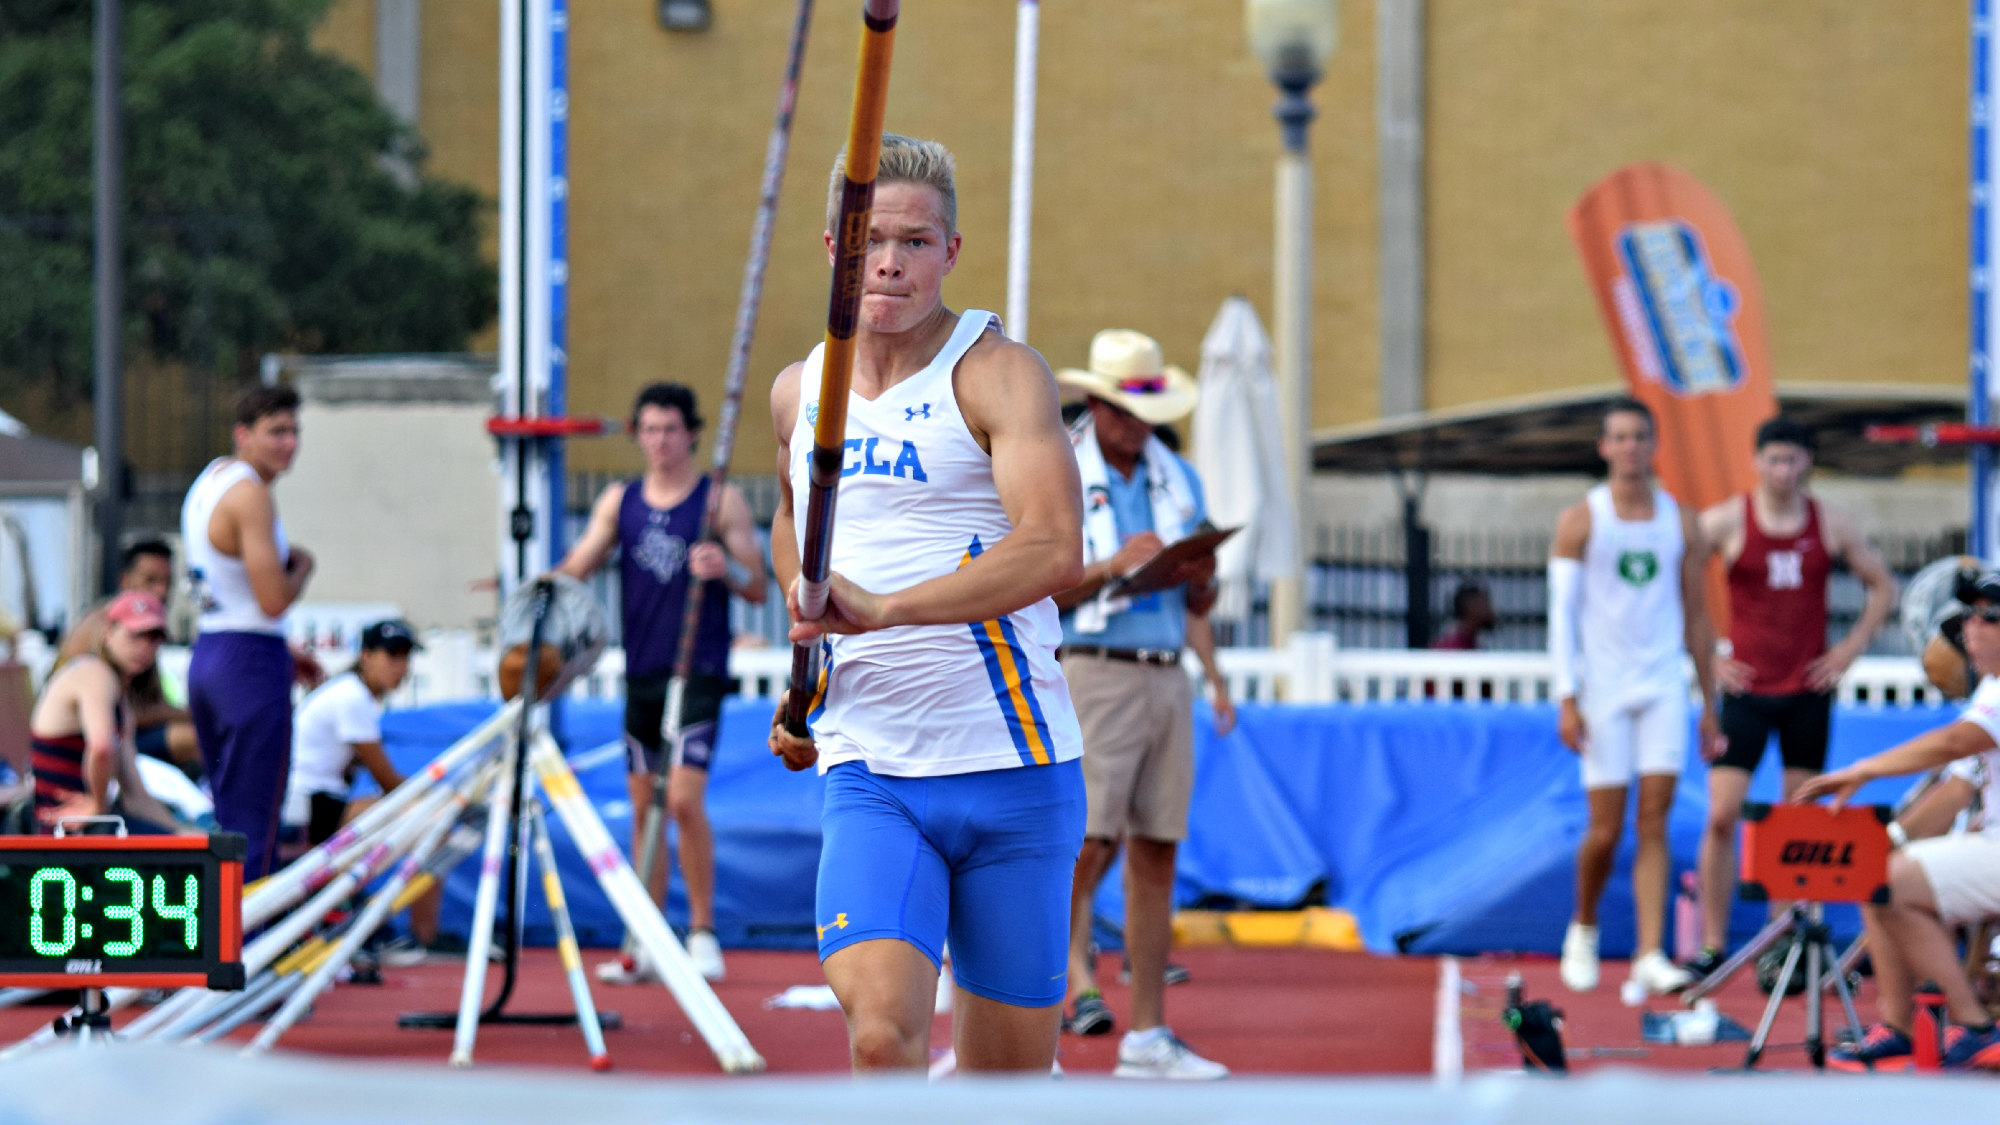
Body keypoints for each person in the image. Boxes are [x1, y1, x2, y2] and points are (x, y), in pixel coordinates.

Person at [764, 133, 1087, 1075]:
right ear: (835, 249)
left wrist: (887, 609)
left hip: (1014, 770)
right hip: (873, 769)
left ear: (951, 252)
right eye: (872, 242)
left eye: (916, 242)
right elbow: (793, 520)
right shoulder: (799, 395)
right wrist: (812, 652)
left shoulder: (997, 374)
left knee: (1006, 1084)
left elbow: (1054, 546)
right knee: (879, 1033)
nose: (891, 263)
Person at [1046, 328, 1230, 1079]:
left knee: (1157, 847)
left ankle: (1149, 1031)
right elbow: (1031, 585)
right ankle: (1046, 995)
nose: (1138, 422)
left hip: (1164, 669)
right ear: (1097, 404)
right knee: (1087, 842)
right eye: (1126, 408)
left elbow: (1201, 601)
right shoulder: (1054, 467)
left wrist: (1202, 574)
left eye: (1147, 407)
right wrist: (1108, 566)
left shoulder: (1180, 476)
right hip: (1092, 666)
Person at [557, 382, 766, 984]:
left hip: (696, 669)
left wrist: (722, 567)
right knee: (645, 806)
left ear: (693, 433)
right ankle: (646, 932)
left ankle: (701, 929)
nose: (659, 441)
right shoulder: (618, 500)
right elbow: (578, 567)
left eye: (670, 429)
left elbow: (756, 584)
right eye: (648, 430)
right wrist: (537, 590)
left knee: (682, 800)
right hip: (644, 671)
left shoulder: (716, 501)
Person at [1685, 416, 1896, 980]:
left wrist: (1849, 649)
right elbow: (1679, 581)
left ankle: (1779, 938)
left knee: (1795, 819)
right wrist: (1709, 656)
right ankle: (1710, 943)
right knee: (1723, 814)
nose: (1783, 471)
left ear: (1807, 463)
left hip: (1806, 690)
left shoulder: (1830, 523)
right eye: (1773, 460)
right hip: (1748, 691)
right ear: (1756, 461)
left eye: (1793, 460)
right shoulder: (1727, 520)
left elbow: (1884, 585)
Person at [1546, 397, 1720, 995]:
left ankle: (1650, 950)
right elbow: (1560, 619)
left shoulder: (1681, 520)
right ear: (1604, 448)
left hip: (1663, 685)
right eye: (1619, 438)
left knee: (1656, 821)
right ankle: (1584, 926)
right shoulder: (1582, 520)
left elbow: (1697, 616)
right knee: (1605, 828)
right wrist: (1567, 696)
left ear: (1653, 445)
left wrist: (1709, 701)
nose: (1630, 448)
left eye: (1640, 437)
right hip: (1605, 689)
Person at [1797, 570, 2000, 1072]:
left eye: (1988, 617)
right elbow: (1956, 789)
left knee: (1893, 879)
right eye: (1969, 616)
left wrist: (1862, 769)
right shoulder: (1991, 688)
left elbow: (1955, 744)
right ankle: (1902, 1025)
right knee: (1878, 868)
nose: (1970, 628)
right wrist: (1890, 837)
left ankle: (1973, 1024)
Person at [181, 384, 315, 881]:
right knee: (255, 822)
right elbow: (274, 598)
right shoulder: (250, 494)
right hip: (247, 660)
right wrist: (303, 566)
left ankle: (226, 940)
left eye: (295, 431)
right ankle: (250, 943)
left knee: (230, 815)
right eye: (276, 431)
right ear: (244, 435)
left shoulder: (210, 481)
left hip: (212, 651)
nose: (289, 443)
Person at [279, 619, 440, 955]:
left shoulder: (350, 693)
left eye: (407, 657)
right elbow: (389, 781)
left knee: (417, 815)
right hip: (310, 806)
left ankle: (365, 916)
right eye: (393, 656)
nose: (402, 666)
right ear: (366, 655)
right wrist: (446, 797)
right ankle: (423, 936)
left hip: (315, 801)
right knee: (430, 821)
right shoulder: (352, 698)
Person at [30, 591, 188, 834]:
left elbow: (136, 797)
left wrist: (186, 835)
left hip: (82, 829)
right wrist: (96, 804)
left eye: (154, 637)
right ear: (108, 632)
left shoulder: (121, 704)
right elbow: (101, 747)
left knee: (188, 847)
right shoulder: (94, 674)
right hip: (61, 831)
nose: (145, 646)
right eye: (136, 635)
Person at [58, 538, 202, 777]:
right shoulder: (102, 628)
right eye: (151, 580)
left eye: (168, 582)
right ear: (125, 581)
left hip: (121, 742)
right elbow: (109, 724)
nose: (162, 591)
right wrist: (192, 713)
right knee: (197, 737)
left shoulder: (146, 628)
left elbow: (149, 703)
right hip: (85, 752)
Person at [1432, 581, 1497, 651]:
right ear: (1471, 607)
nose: (1491, 611)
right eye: (1485, 604)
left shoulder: (1469, 642)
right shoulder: (1452, 648)